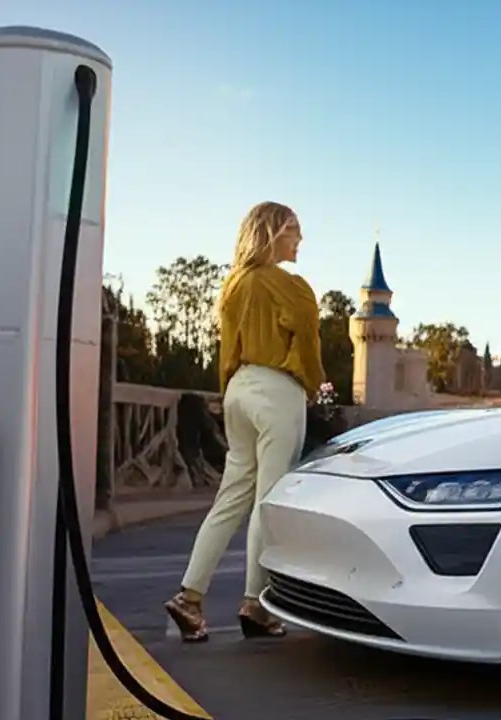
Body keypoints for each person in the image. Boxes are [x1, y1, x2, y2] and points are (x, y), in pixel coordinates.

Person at [164, 201, 325, 642]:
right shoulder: (293, 287)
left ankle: (189, 598)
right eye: (294, 229)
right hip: (277, 392)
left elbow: (227, 351)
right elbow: (307, 347)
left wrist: (231, 388)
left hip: (238, 390)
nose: (300, 239)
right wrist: (314, 387)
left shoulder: (234, 285)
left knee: (229, 500)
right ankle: (257, 604)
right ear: (272, 232)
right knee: (267, 502)